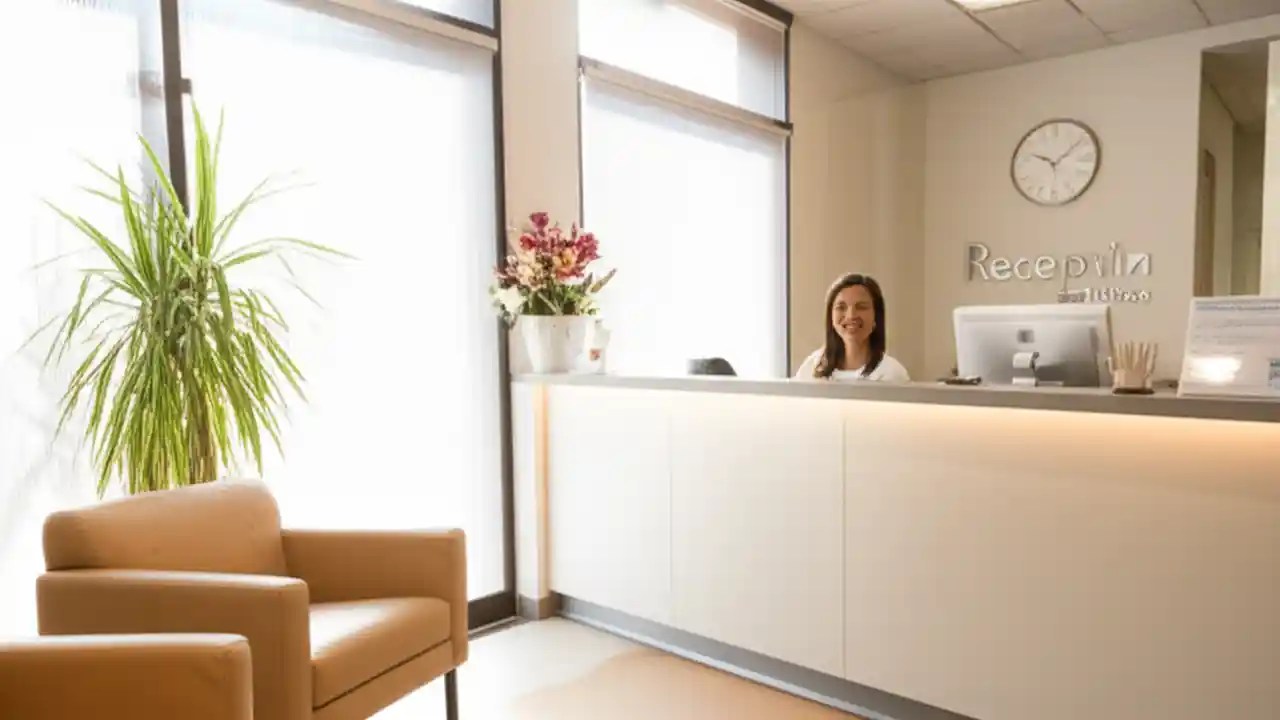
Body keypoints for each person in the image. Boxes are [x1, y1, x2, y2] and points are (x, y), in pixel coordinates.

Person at [794, 273, 910, 383]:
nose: (851, 315)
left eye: (861, 307)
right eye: (841, 307)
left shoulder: (892, 374)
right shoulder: (812, 368)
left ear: (876, 315)